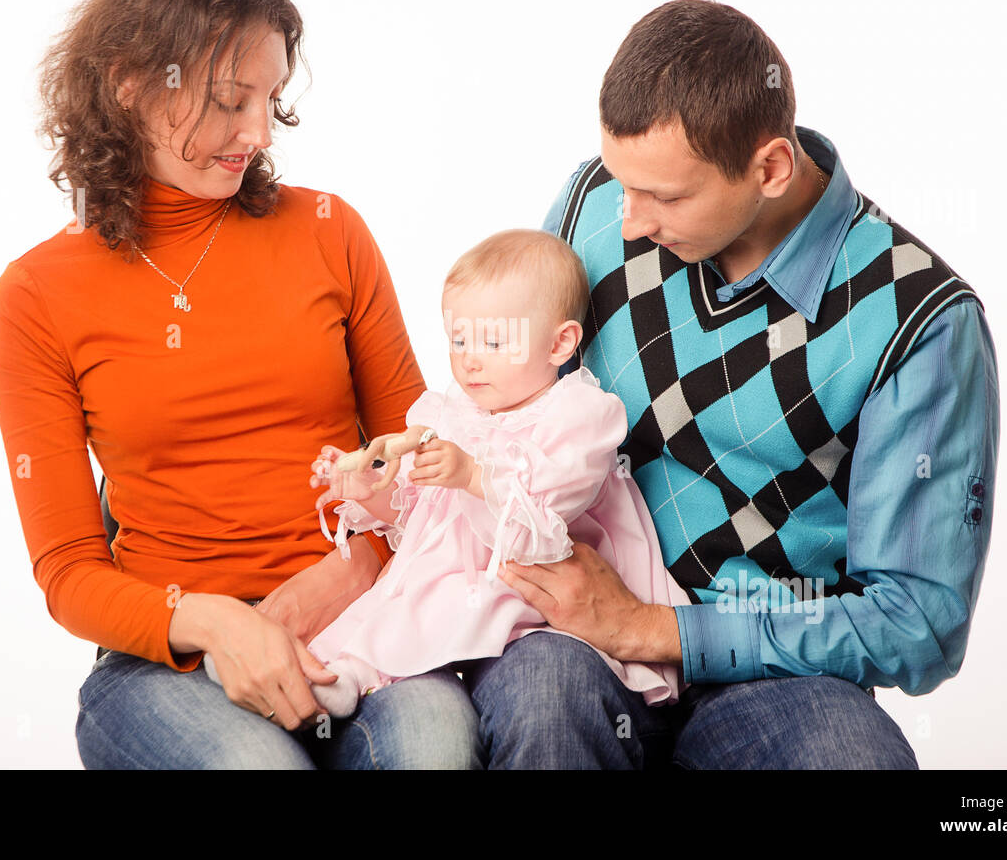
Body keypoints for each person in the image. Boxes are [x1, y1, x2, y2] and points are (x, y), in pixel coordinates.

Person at [0, 0, 481, 769]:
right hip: (165, 664)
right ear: (128, 81)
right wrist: (219, 622)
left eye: (269, 95)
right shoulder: (36, 295)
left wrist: (356, 567)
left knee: (435, 744)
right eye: (227, 98)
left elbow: (423, 466)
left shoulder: (329, 232)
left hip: (363, 627)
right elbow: (68, 570)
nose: (255, 129)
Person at [464, 0, 1000, 769]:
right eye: (621, 183)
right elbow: (508, 398)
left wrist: (656, 627)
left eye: (667, 196)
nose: (628, 223)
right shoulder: (595, 206)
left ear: (771, 167)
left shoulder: (917, 322)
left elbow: (916, 622)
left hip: (777, 672)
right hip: (575, 637)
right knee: (543, 701)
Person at [209, 230, 690, 717]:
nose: (469, 359)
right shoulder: (455, 413)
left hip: (536, 578)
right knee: (392, 597)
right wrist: (370, 486)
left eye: (494, 341)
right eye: (458, 339)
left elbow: (544, 527)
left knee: (430, 606)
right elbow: (418, 514)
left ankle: (345, 676)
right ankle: (302, 666)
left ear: (559, 343)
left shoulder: (578, 417)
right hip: (455, 568)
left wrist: (471, 475)